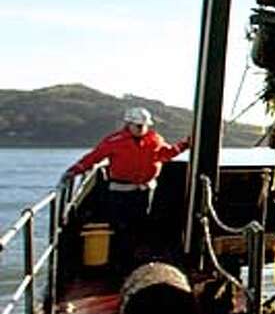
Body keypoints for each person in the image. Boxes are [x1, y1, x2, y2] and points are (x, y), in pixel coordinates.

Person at [63, 107, 190, 271]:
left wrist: (185, 144)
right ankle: (118, 262)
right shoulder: (114, 141)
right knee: (121, 227)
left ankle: (134, 260)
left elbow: (167, 153)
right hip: (120, 192)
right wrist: (76, 170)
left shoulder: (155, 140)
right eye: (137, 125)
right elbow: (95, 157)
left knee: (140, 224)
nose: (141, 129)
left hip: (144, 191)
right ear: (128, 124)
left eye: (143, 125)